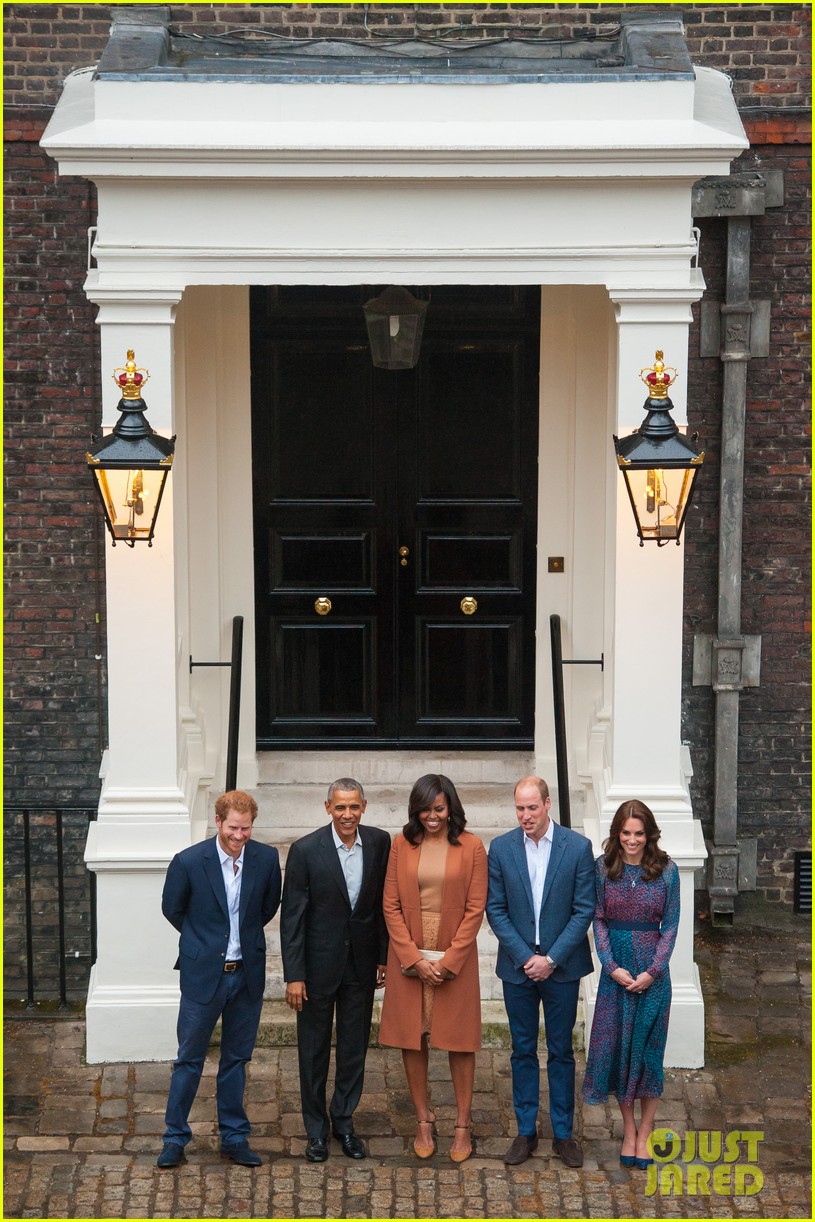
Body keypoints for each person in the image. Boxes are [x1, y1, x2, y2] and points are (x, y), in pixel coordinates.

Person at [157, 790, 282, 1169]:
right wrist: (204, 943)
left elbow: (267, 907)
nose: (239, 836)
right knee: (189, 1059)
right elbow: (172, 909)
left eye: (246, 829)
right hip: (203, 976)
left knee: (236, 1059)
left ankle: (234, 1136)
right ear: (218, 822)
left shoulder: (266, 859)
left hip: (246, 975)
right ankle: (174, 1138)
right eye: (233, 828)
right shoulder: (189, 861)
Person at [379, 774, 488, 1164]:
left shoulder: (472, 846)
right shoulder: (401, 844)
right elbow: (390, 905)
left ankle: (462, 1124)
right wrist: (412, 958)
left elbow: (476, 908)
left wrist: (450, 960)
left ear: (450, 807)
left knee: (460, 1040)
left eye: (439, 808)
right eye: (425, 809)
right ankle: (423, 1119)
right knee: (413, 1038)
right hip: (409, 951)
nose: (432, 816)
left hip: (454, 954)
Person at [486, 775, 594, 1168]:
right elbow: (495, 909)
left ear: (547, 804)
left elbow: (584, 909)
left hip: (561, 969)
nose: (525, 815)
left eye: (532, 807)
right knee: (522, 1050)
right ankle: (525, 1131)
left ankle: (563, 1134)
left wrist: (551, 959)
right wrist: (524, 957)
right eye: (520, 808)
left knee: (562, 1051)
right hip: (518, 969)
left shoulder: (577, 847)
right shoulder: (501, 848)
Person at [280, 778, 390, 1163]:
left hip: (361, 966)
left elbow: (381, 905)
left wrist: (383, 956)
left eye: (354, 807)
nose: (347, 814)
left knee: (353, 1049)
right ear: (328, 807)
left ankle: (344, 1122)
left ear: (364, 806)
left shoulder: (379, 843)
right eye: (340, 807)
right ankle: (315, 1131)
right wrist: (294, 975)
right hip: (315, 970)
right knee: (313, 1052)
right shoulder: (306, 850)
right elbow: (292, 919)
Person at [581, 799, 680, 1170]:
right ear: (617, 833)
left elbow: (671, 925)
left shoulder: (667, 871)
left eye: (639, 833)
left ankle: (647, 1130)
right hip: (617, 978)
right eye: (626, 833)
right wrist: (610, 967)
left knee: (649, 1056)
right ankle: (628, 1131)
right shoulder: (603, 868)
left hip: (653, 978)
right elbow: (598, 919)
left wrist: (653, 970)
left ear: (649, 834)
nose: (632, 840)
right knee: (621, 1054)